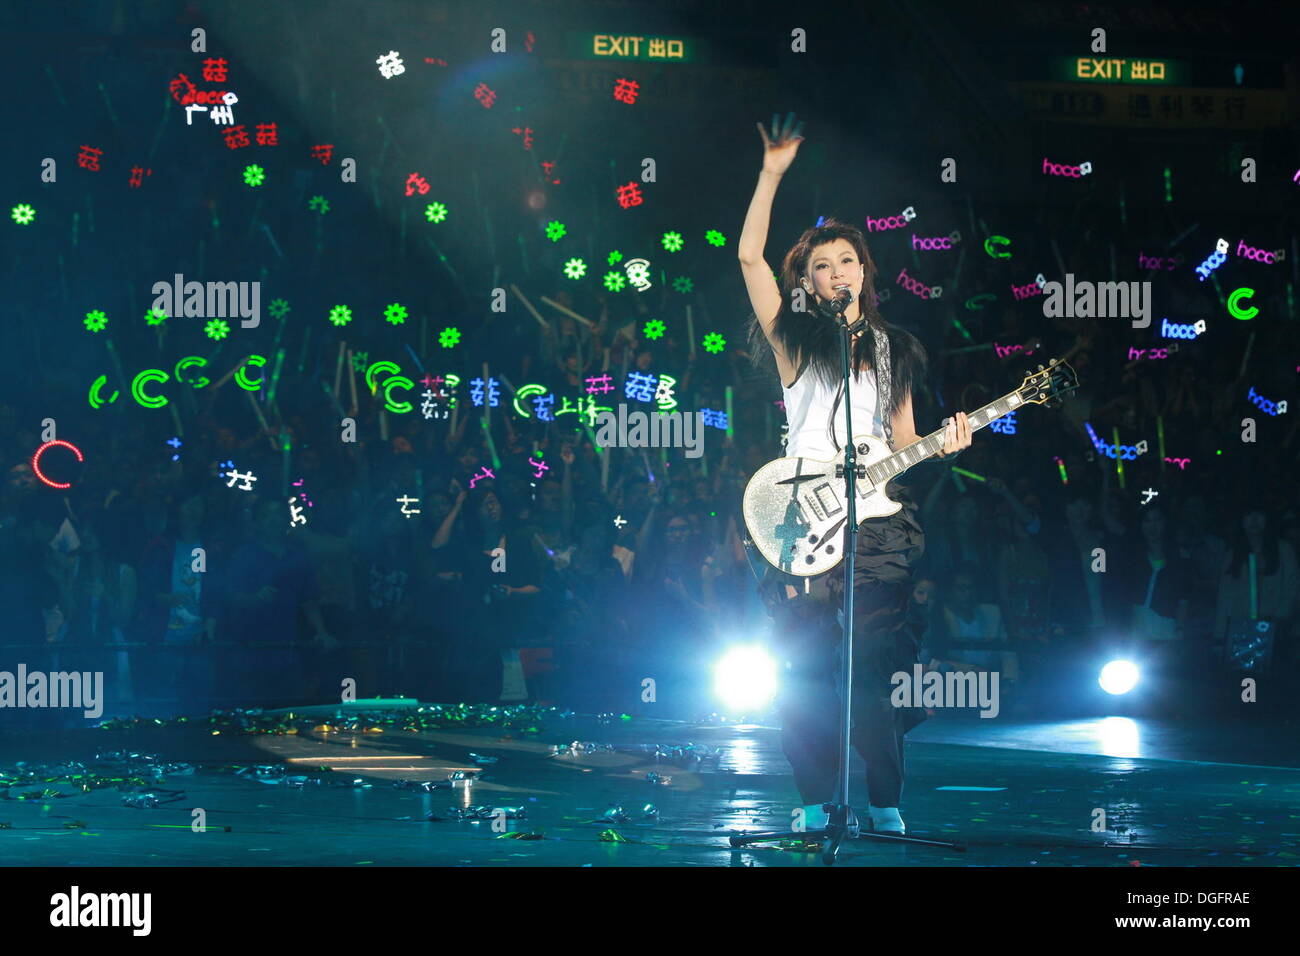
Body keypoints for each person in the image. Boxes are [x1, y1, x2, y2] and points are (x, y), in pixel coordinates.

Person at [739, 112, 972, 837]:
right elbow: (749, 259)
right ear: (805, 280)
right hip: (804, 516)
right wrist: (773, 173)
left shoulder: (895, 348)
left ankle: (885, 797)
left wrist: (947, 443)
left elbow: (902, 441)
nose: (837, 272)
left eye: (848, 262)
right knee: (806, 667)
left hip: (877, 528)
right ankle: (813, 798)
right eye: (821, 265)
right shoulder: (795, 342)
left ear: (865, 272)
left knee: (871, 666)